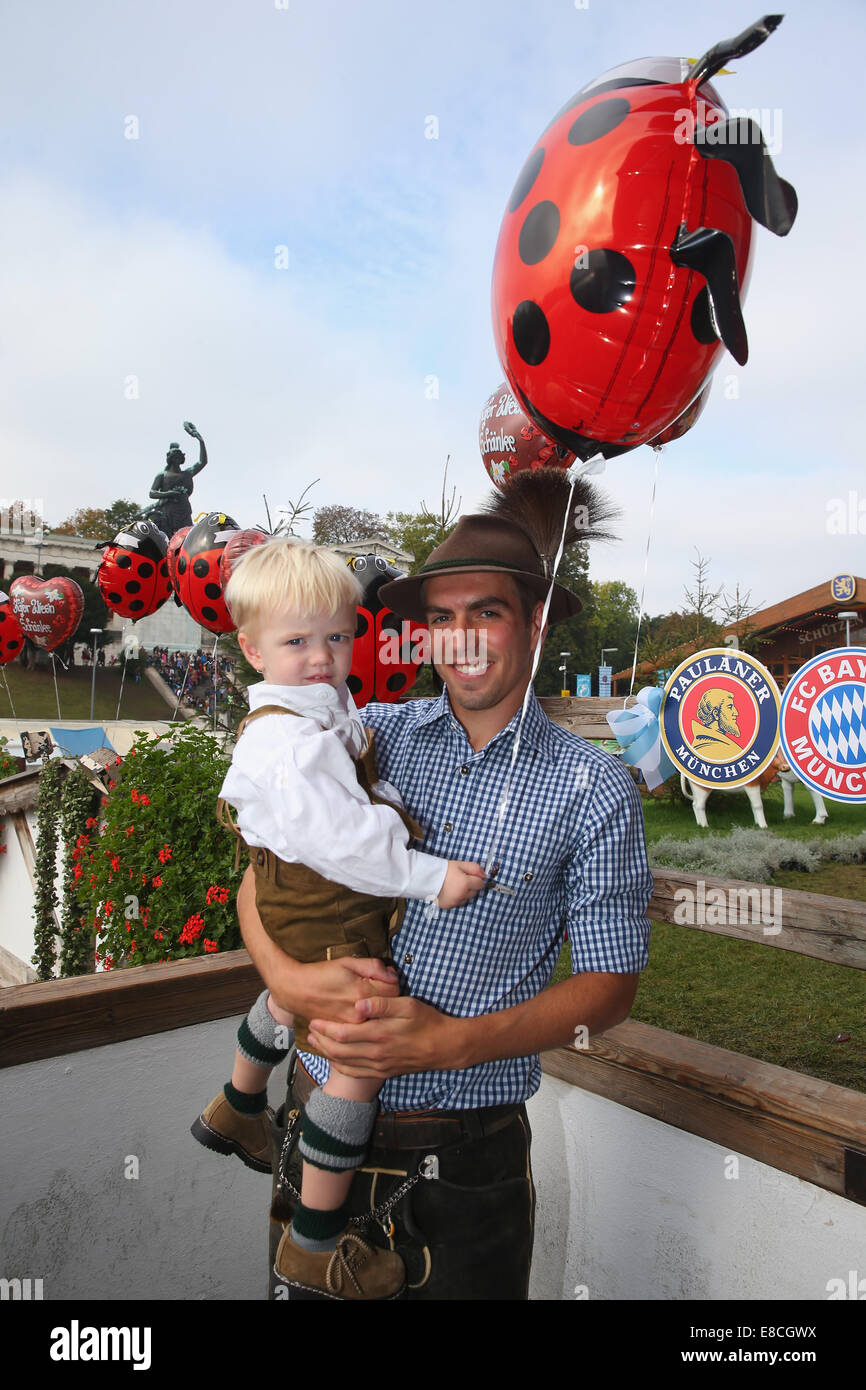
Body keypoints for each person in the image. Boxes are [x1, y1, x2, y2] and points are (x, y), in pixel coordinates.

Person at [237, 468, 655, 1301]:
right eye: (441, 618)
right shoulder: (364, 737)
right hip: (315, 1116)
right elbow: (259, 875)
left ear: (533, 625)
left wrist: (445, 1044)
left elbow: (608, 990)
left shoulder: (593, 787)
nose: (460, 638)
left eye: (486, 613)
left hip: (463, 1156)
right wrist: (286, 978)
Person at [191, 538, 485, 1301]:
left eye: (336, 636)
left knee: (290, 995)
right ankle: (313, 1245)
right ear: (252, 650)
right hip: (325, 907)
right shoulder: (294, 741)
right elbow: (348, 842)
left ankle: (238, 1101)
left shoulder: (316, 711)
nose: (322, 656)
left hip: (295, 898)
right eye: (298, 642)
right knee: (359, 1052)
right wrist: (429, 875)